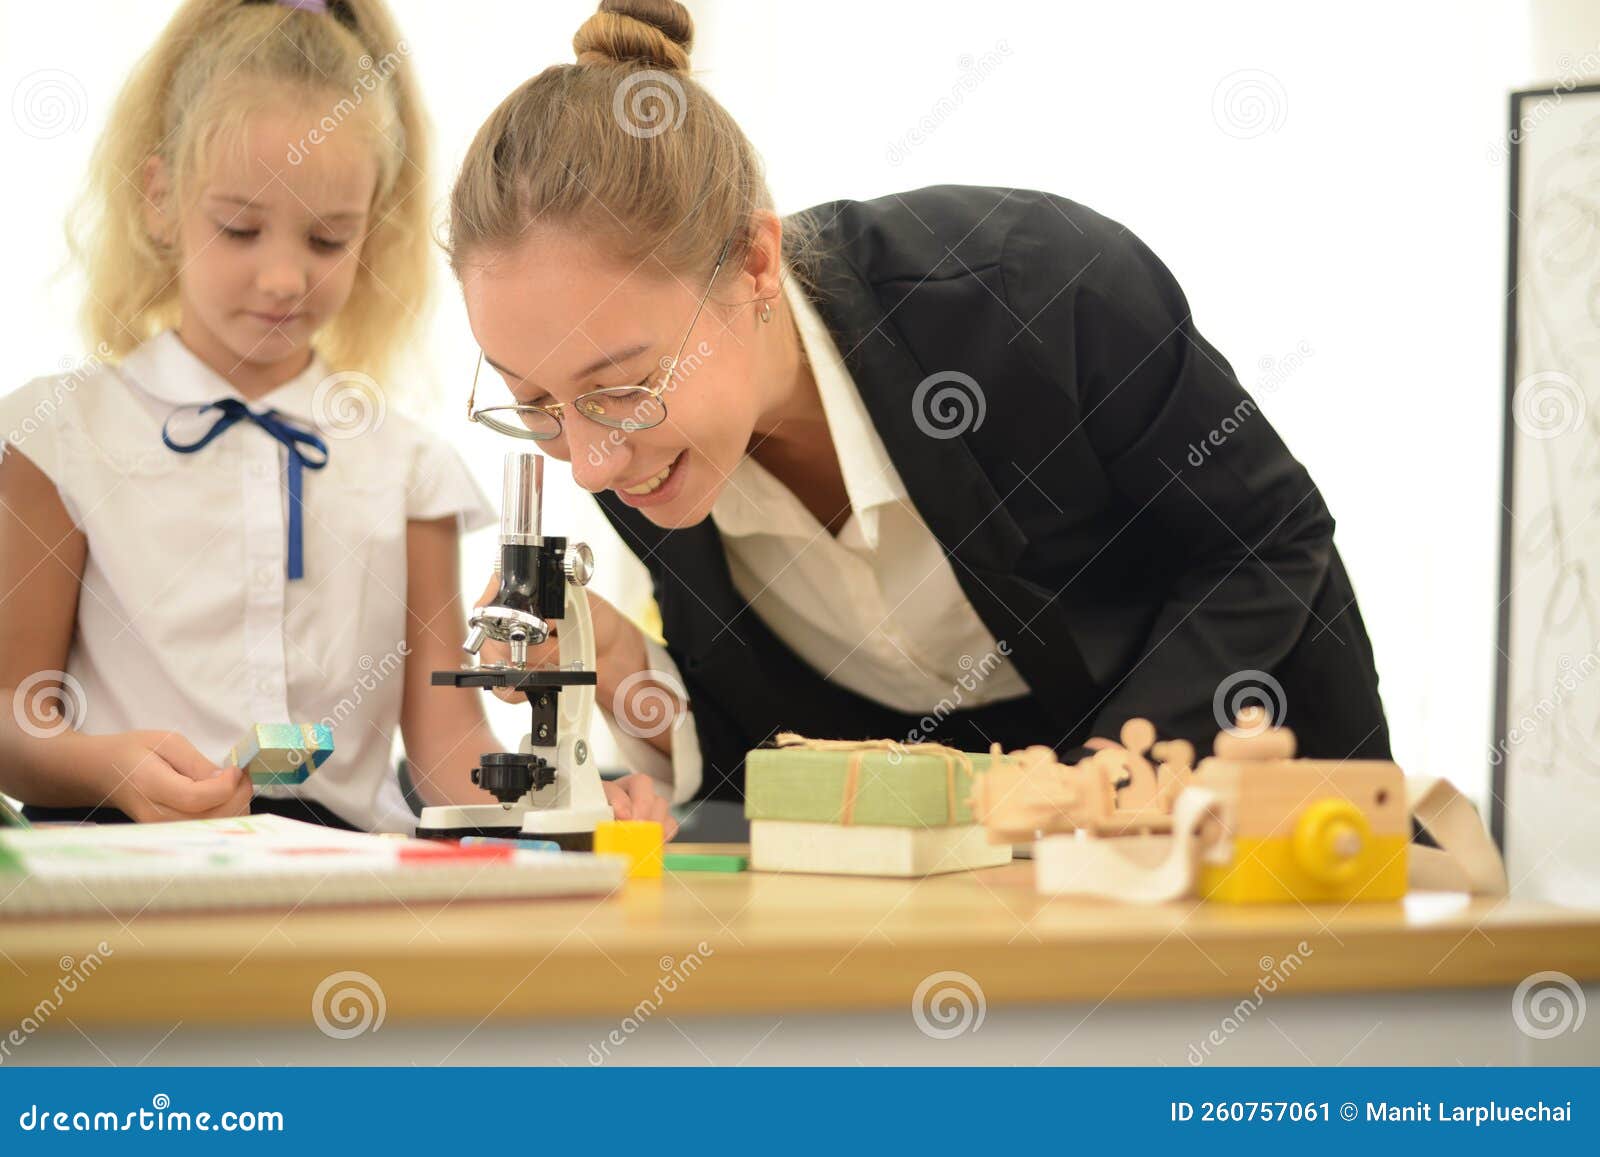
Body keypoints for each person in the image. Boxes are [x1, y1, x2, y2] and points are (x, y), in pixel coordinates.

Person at [446, 0, 1391, 809]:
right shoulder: (644, 447)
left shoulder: (1036, 293)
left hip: (1251, 822)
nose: (593, 462)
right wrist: (621, 668)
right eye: (533, 404)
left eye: (619, 390)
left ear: (754, 261)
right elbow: (787, 745)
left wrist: (1092, 791)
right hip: (963, 910)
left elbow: (1265, 545)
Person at [0, 0, 677, 836]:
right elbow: (12, 718)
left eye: (326, 240)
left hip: (341, 874)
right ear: (159, 200)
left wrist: (558, 798)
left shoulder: (405, 467)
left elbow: (440, 745)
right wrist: (108, 766)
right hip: (118, 869)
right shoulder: (60, 434)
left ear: (374, 229)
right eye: (240, 228)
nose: (284, 278)